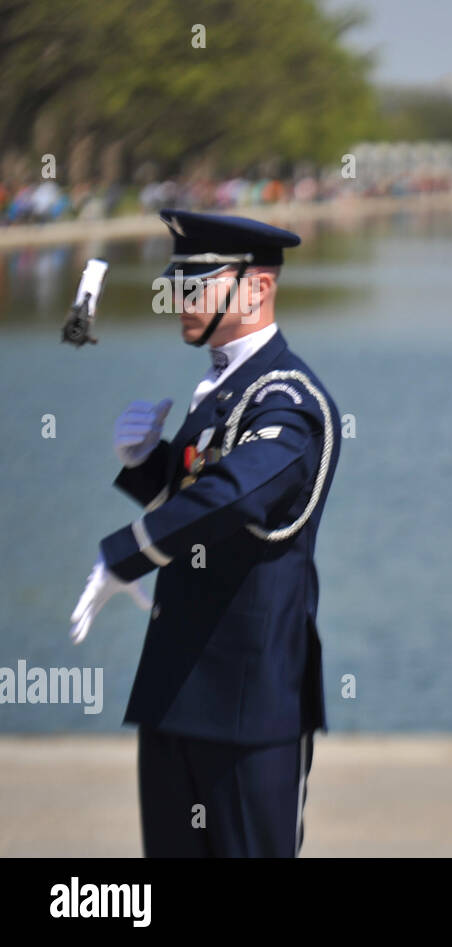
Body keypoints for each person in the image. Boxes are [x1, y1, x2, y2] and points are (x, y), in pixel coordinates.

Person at [69, 209, 341, 857]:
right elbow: (198, 500)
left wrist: (124, 555)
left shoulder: (288, 398)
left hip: (250, 704)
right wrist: (150, 466)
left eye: (199, 284)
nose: (181, 299)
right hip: (177, 691)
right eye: (179, 284)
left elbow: (238, 496)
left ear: (256, 288)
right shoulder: (223, 387)